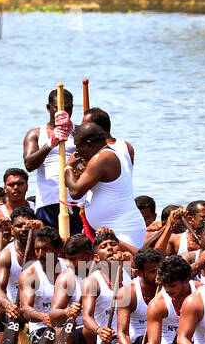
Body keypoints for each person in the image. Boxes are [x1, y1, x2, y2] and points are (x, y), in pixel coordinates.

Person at [67, 121, 145, 250]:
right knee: (110, 269)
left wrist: (68, 167)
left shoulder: (102, 158)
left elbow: (75, 192)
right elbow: (74, 182)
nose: (76, 151)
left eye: (78, 146)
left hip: (124, 229)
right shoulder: (104, 155)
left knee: (123, 269)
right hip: (109, 232)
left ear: (89, 145)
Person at [21, 87, 74, 228]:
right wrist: (49, 144)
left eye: (68, 109)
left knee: (77, 246)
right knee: (49, 247)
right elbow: (29, 165)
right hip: (48, 201)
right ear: (49, 108)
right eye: (58, 108)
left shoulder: (79, 132)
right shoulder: (36, 134)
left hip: (76, 200)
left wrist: (72, 128)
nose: (63, 112)